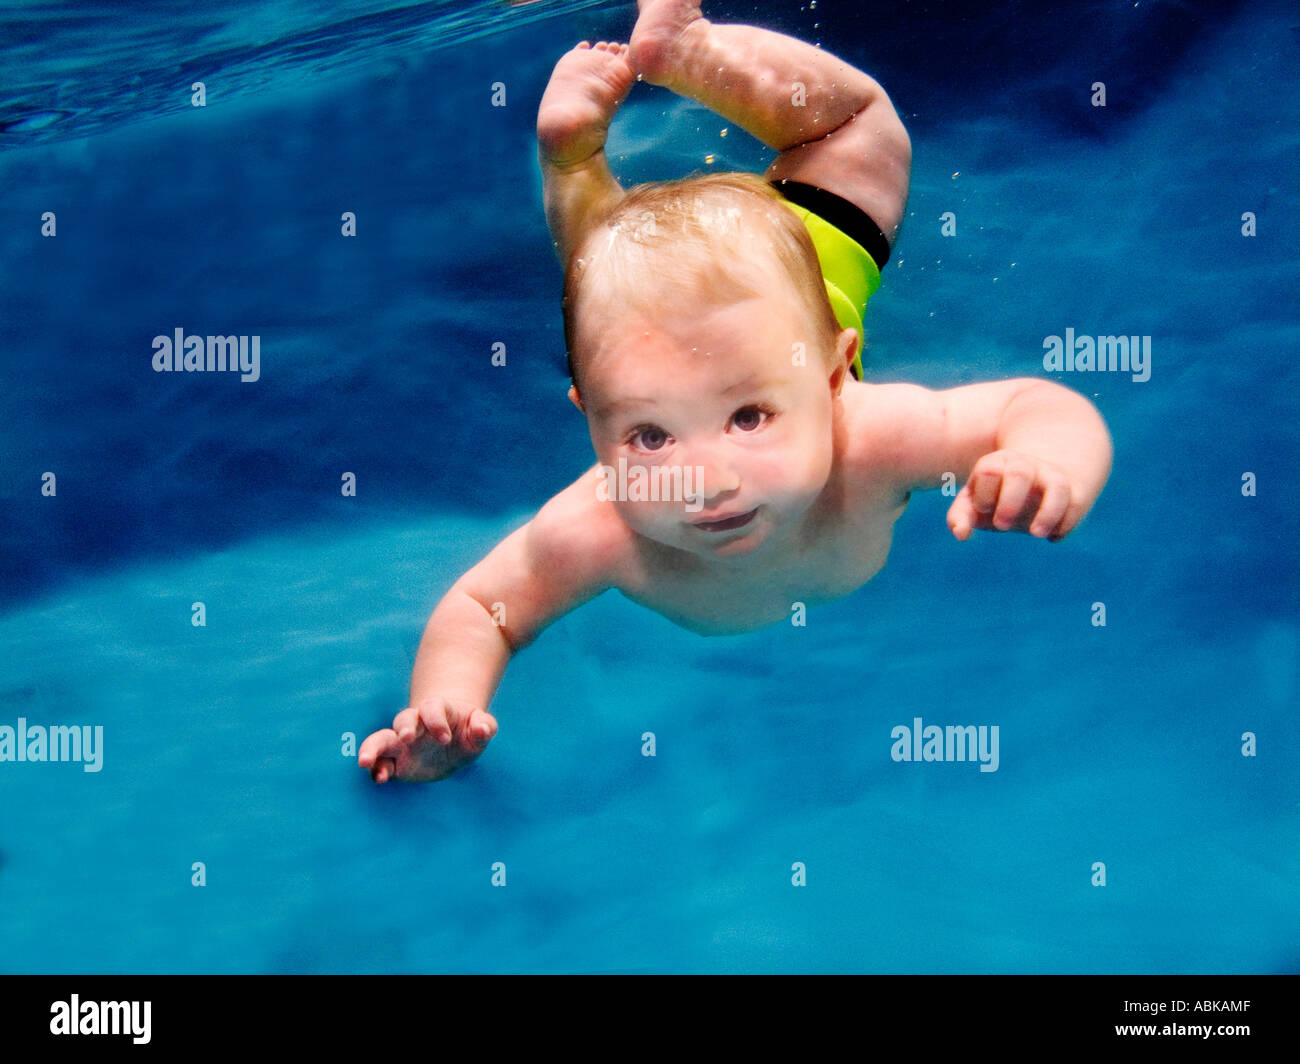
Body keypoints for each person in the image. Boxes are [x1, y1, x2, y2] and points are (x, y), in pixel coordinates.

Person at [359, 0, 1112, 784]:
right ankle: (577, 164)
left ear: (831, 378)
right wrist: (442, 705)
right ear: (589, 423)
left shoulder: (876, 439)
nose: (707, 478)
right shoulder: (601, 527)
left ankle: (684, 53)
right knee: (613, 292)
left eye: (750, 417)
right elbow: (484, 609)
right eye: (648, 437)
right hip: (726, 343)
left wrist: (1047, 461)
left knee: (858, 133)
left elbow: (1039, 407)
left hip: (811, 274)